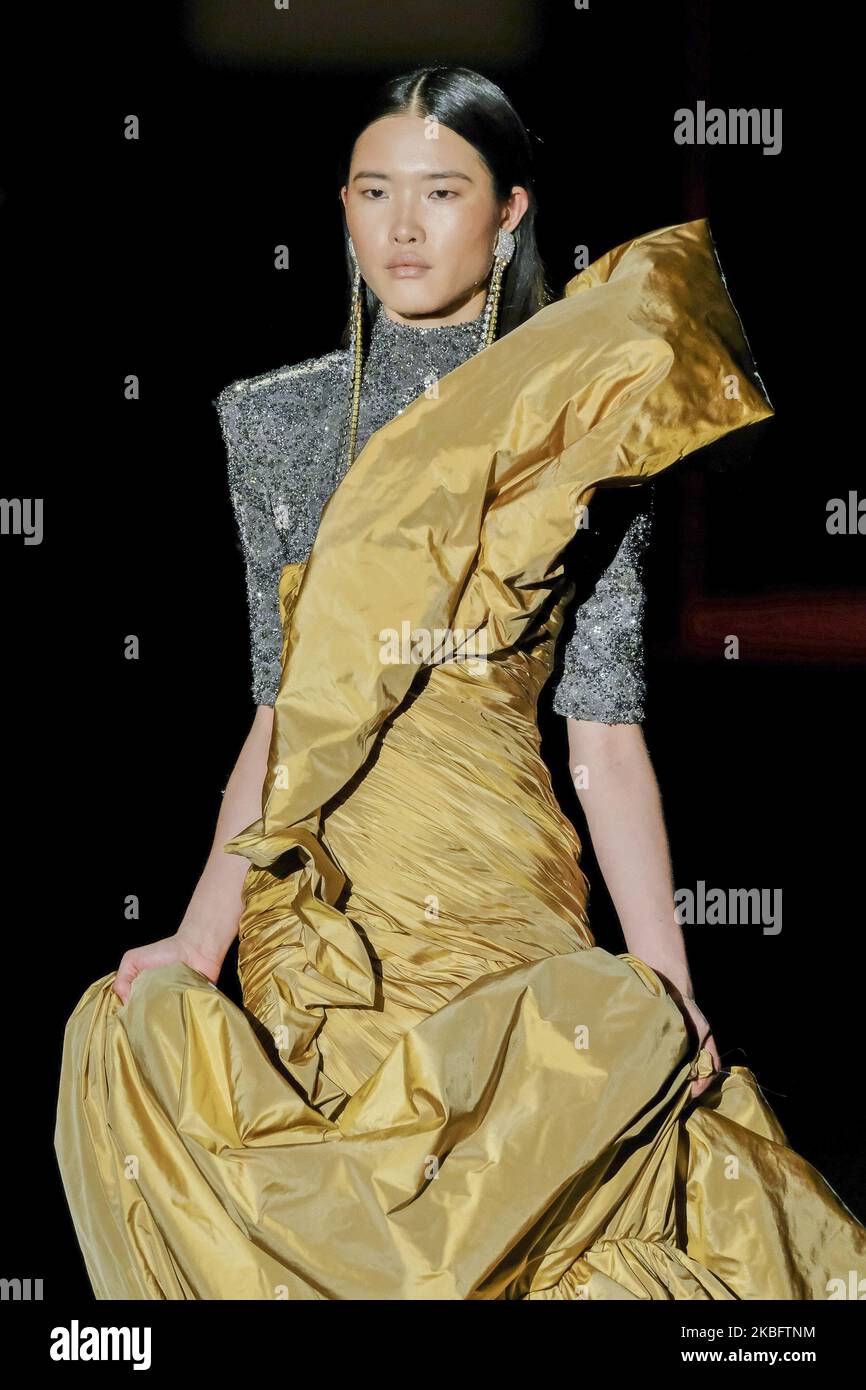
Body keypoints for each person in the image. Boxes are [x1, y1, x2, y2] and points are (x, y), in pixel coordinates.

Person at [54, 67, 865, 1300]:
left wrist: (669, 991)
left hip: (500, 897)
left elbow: (601, 736)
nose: (403, 225)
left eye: (442, 193)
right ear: (338, 209)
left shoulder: (578, 424)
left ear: (509, 212)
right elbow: (280, 710)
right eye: (375, 193)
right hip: (321, 914)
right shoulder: (271, 420)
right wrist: (201, 934)